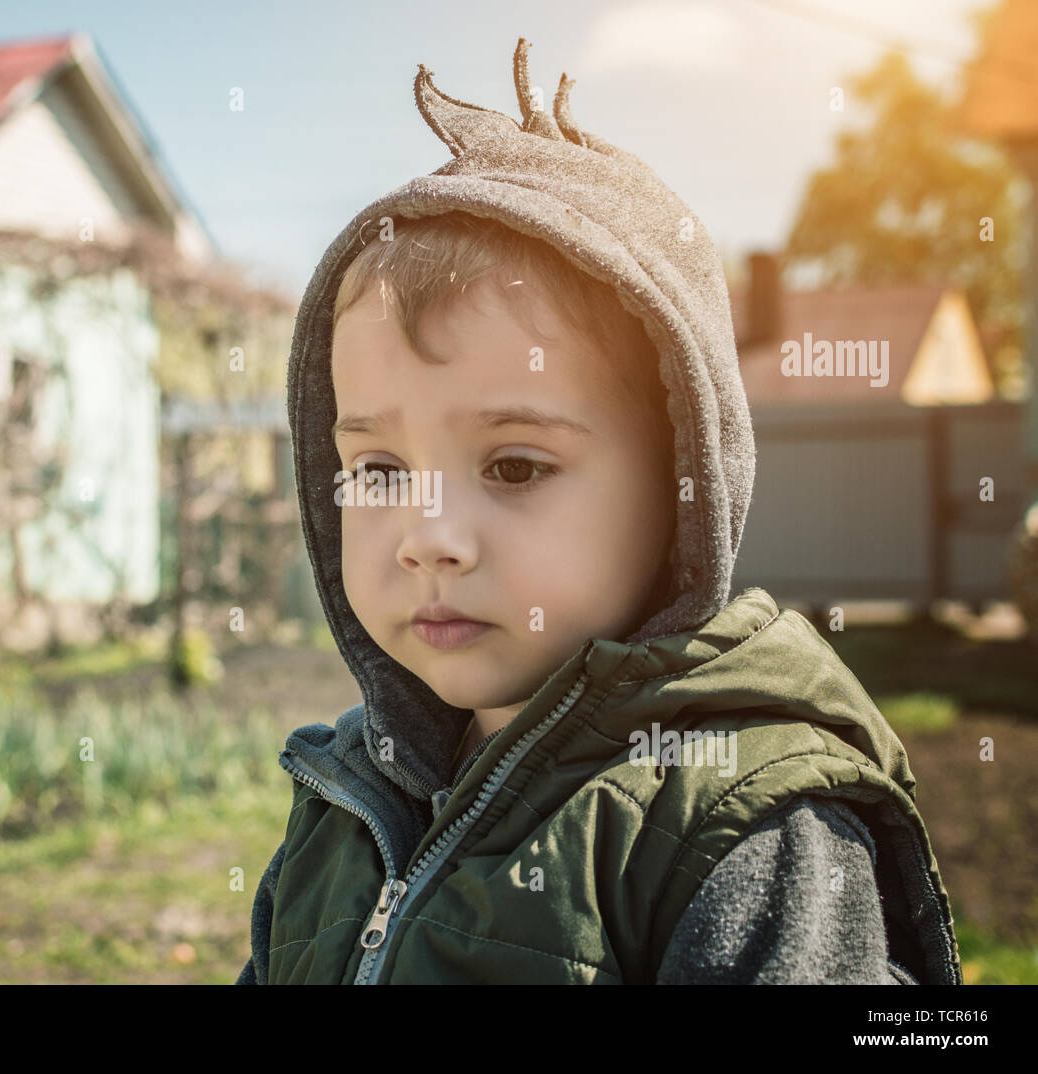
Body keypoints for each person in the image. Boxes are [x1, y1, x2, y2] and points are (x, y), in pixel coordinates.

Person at [236, 38, 961, 985]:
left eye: (514, 465)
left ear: (680, 487)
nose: (428, 539)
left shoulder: (739, 829)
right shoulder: (346, 795)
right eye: (377, 469)